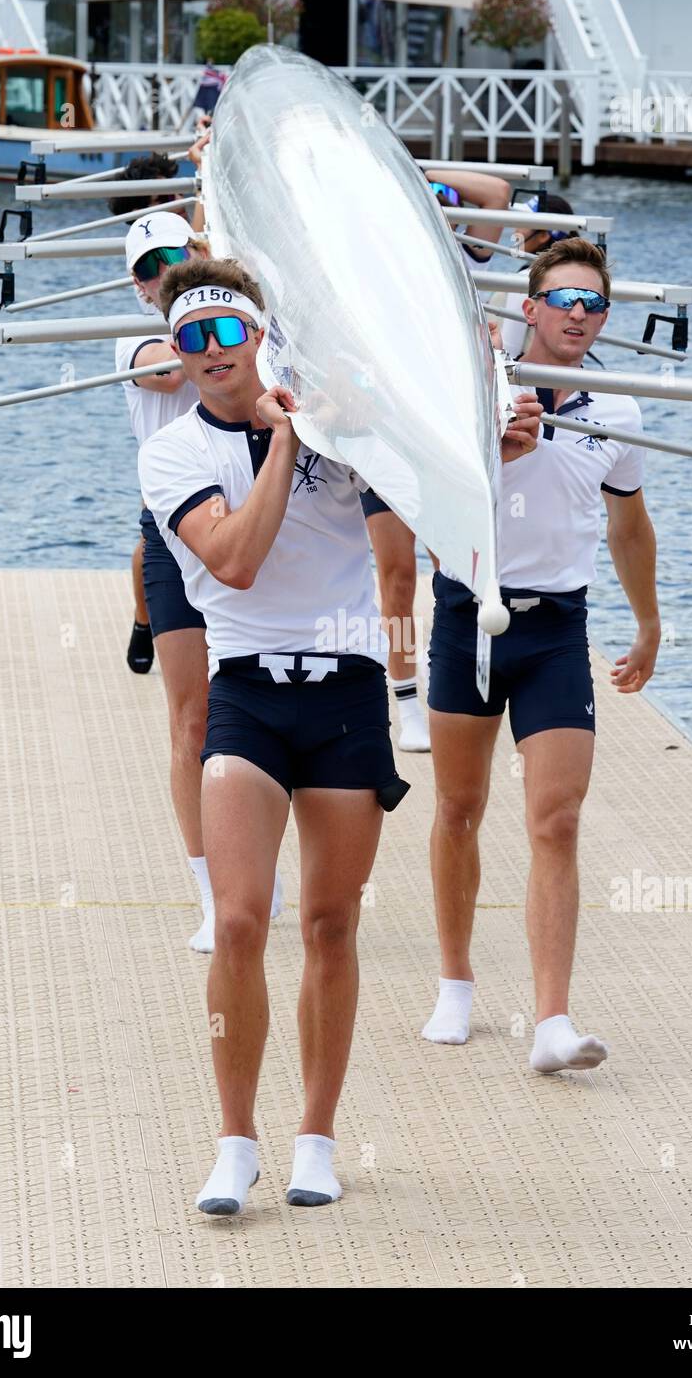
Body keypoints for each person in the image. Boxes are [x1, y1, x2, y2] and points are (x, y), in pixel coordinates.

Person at [137, 257, 417, 1215]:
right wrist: (289, 440)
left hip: (345, 689)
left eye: (229, 331)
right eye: (192, 339)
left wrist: (504, 436)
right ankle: (234, 1140)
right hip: (247, 692)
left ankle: (316, 1137)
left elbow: (426, 511)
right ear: (177, 355)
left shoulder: (340, 421)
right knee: (242, 919)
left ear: (259, 334)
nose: (214, 352)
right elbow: (238, 562)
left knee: (330, 926)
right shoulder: (172, 455)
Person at [423, 237, 661, 1074]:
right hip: (468, 611)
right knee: (458, 808)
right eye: (563, 300)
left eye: (595, 304)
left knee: (556, 819)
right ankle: (455, 981)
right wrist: (494, 446)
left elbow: (629, 525)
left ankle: (551, 1021)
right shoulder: (471, 388)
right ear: (528, 309)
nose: (580, 316)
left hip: (559, 626)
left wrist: (649, 626)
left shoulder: (618, 409)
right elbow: (419, 495)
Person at [117, 213, 281, 952]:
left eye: (177, 256)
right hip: (176, 530)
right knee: (193, 719)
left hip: (262, 516)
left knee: (259, 705)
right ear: (138, 284)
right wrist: (196, 331)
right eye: (150, 266)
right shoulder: (144, 340)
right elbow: (161, 367)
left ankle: (258, 861)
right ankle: (210, 889)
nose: (163, 271)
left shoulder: (244, 323)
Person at [358, 167, 514, 754]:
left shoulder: (464, 259)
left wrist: (413, 168)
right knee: (396, 576)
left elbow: (497, 195)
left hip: (448, 438)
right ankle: (405, 701)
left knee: (457, 567)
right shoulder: (366, 269)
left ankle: (461, 683)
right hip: (386, 437)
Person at [493, 192, 577, 358]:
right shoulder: (572, 274)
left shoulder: (527, 279)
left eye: (522, 223)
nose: (515, 231)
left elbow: (508, 348)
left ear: (543, 235)